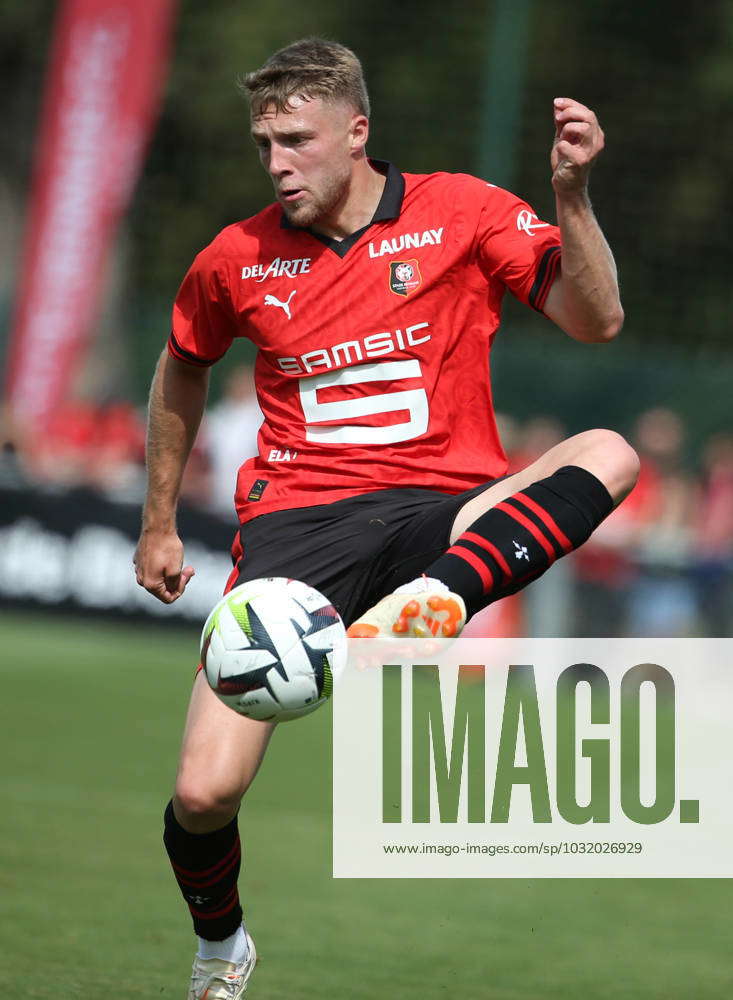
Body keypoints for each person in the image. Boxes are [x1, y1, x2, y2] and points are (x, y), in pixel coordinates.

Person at [133, 37, 638, 1000]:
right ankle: (220, 949)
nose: (277, 163)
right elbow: (181, 365)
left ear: (356, 132)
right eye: (263, 144)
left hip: (439, 514)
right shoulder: (232, 259)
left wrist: (571, 197)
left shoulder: (463, 210)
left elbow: (594, 319)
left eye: (296, 140)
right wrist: (158, 518)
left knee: (608, 452)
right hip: (295, 537)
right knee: (202, 796)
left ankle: (433, 604)